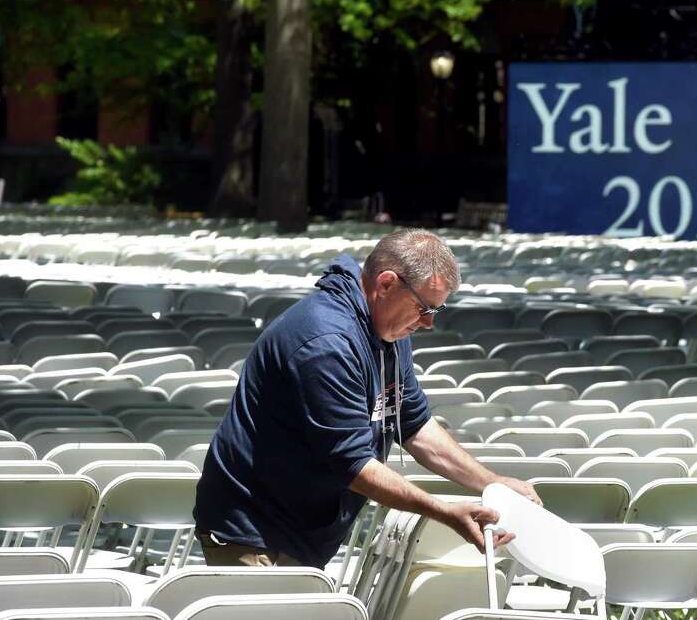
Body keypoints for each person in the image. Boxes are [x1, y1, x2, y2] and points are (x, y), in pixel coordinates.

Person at [193, 228, 540, 567]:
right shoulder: (325, 343)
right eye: (424, 308)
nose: (428, 323)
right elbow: (353, 465)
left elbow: (415, 425)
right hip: (253, 529)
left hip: (301, 528)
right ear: (386, 284)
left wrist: (493, 483)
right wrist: (444, 513)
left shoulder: (387, 329)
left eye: (437, 310)